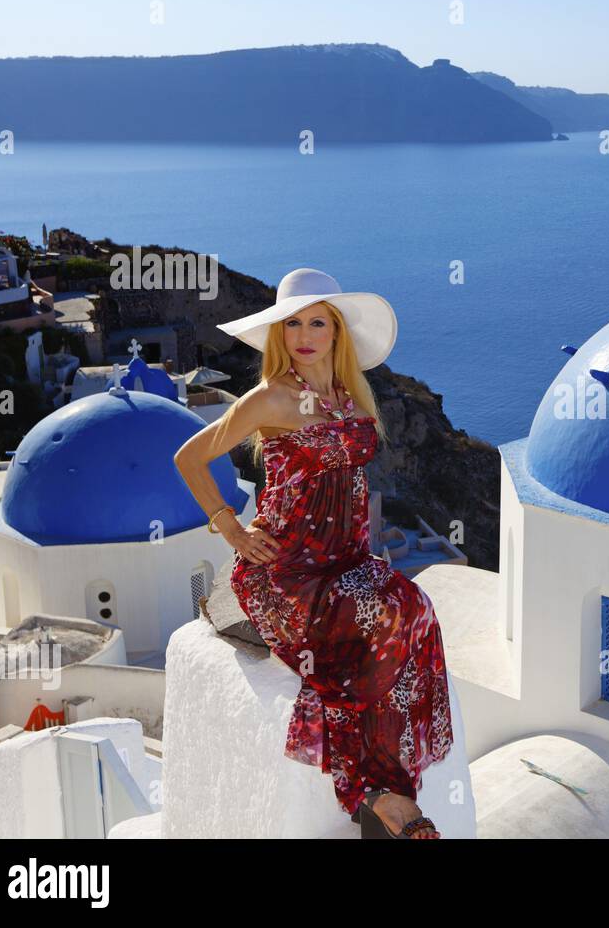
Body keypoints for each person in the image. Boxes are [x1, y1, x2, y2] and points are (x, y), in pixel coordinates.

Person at [174, 267, 452, 838]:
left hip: (346, 561)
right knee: (395, 613)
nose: (303, 333)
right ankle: (375, 790)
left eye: (316, 321)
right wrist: (231, 528)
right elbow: (189, 457)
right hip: (288, 571)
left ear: (336, 331)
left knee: (417, 610)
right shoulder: (272, 397)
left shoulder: (349, 397)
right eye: (292, 322)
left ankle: (389, 786)